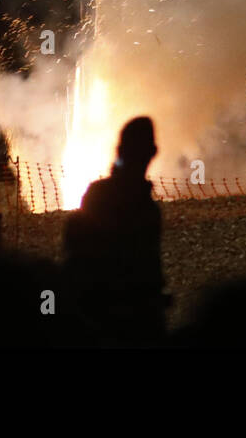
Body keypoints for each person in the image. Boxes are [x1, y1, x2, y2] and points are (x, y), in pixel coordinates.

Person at [62, 116, 169, 345]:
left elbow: (73, 255)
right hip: (124, 320)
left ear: (119, 149)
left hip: (99, 317)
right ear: (153, 152)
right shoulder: (147, 209)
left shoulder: (98, 194)